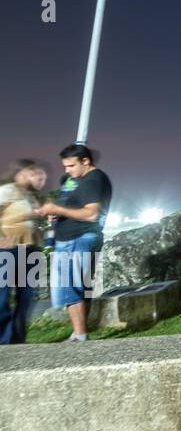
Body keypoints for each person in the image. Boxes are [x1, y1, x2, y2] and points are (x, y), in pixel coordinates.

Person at [35, 144, 111, 343]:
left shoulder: (93, 180)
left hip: (78, 239)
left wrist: (58, 210)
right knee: (76, 287)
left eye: (70, 166)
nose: (67, 171)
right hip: (71, 239)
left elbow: (92, 213)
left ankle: (79, 336)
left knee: (72, 287)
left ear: (85, 161)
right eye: (65, 166)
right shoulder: (76, 180)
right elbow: (71, 204)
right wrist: (56, 212)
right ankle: (79, 333)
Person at [0, 159, 47, 344]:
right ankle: (3, 340)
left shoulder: (33, 196)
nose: (39, 177)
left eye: (40, 174)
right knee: (2, 298)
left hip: (31, 251)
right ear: (20, 173)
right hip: (7, 251)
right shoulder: (7, 191)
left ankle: (18, 340)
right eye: (34, 173)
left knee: (26, 297)